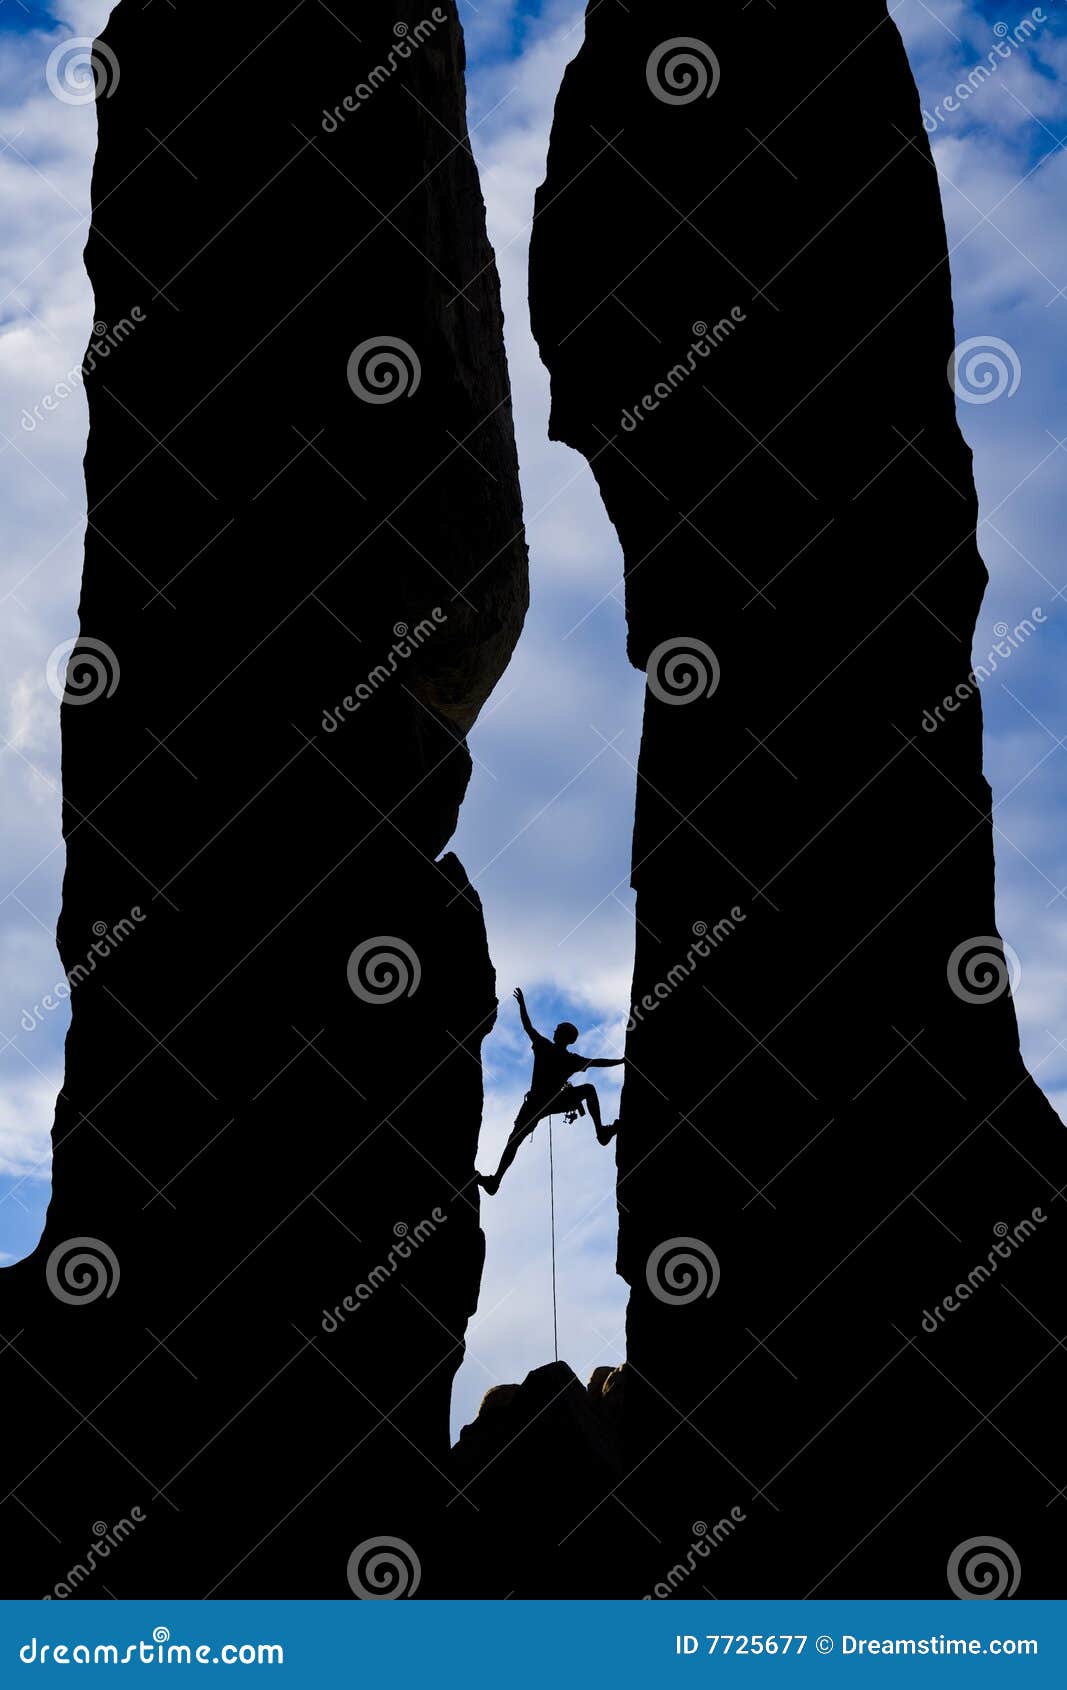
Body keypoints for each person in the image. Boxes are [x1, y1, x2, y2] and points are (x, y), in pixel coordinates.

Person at [476, 988, 625, 1196]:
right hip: (554, 1102)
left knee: (514, 1141)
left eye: (557, 1029)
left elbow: (528, 1027)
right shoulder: (570, 1059)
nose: (554, 1031)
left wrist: (522, 1005)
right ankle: (601, 1131)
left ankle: (495, 1181)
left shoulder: (543, 1046)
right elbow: (596, 1062)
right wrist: (621, 1061)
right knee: (589, 1089)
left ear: (562, 1035)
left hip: (535, 1103)